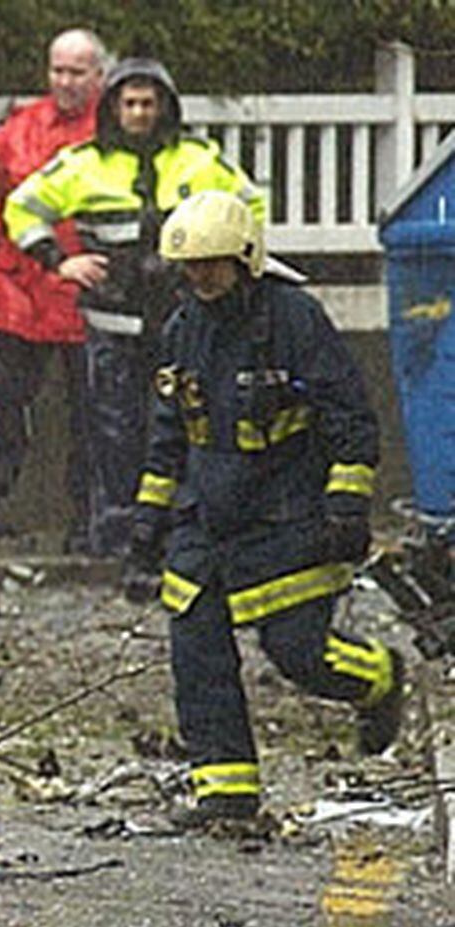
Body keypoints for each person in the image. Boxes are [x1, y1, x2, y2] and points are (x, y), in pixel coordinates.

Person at [123, 190, 403, 826]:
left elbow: (350, 416)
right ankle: (226, 793)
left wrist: (347, 505)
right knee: (196, 650)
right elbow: (168, 436)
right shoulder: (181, 330)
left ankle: (379, 678)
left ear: (244, 258)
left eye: (213, 264)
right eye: (190, 267)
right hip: (208, 520)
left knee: (298, 651)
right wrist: (147, 524)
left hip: (287, 515)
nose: (200, 277)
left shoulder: (293, 319)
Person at [5, 57, 266, 557]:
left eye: (149, 103)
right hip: (113, 325)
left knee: (190, 423)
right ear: (113, 107)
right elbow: (21, 206)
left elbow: (250, 204)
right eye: (130, 103)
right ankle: (121, 536)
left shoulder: (199, 159)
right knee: (113, 433)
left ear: (165, 106)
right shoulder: (84, 163)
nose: (140, 114)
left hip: (185, 321)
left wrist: (238, 272)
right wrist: (59, 261)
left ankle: (185, 531)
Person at [0, 29, 106, 547]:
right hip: (22, 294)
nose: (65, 82)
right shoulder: (17, 131)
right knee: (1, 409)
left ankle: (91, 517)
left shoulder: (117, 130)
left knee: (95, 417)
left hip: (92, 297)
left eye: (76, 72)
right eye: (57, 70)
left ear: (98, 75)